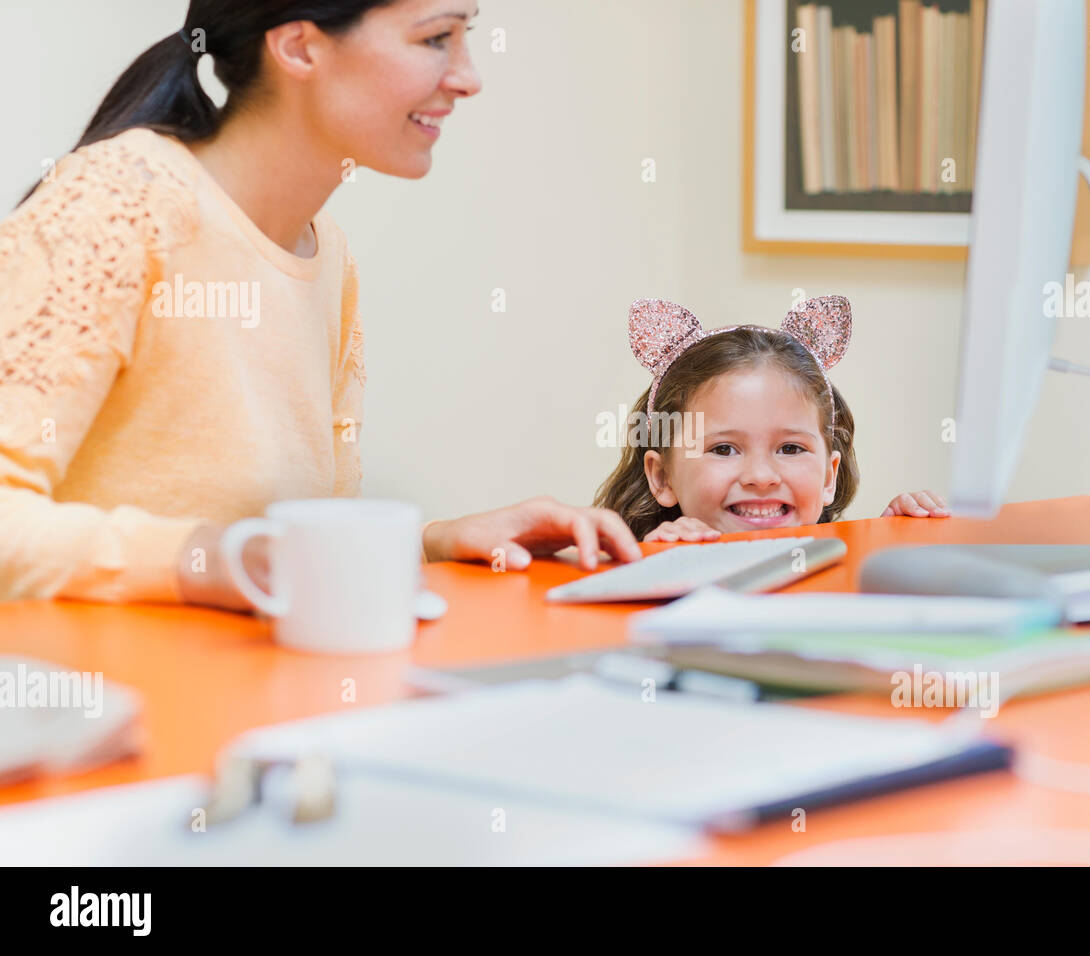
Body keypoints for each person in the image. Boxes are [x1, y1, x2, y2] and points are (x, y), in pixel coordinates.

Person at [0, 0, 641, 609]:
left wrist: (439, 541)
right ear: (300, 47)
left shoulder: (325, 250)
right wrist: (199, 558)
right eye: (435, 39)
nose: (468, 78)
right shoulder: (119, 201)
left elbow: (286, 549)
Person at [594, 296, 949, 542]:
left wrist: (890, 550)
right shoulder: (640, 568)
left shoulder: (847, 566)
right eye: (723, 449)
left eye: (791, 448)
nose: (761, 477)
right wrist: (652, 570)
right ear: (663, 477)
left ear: (829, 475)